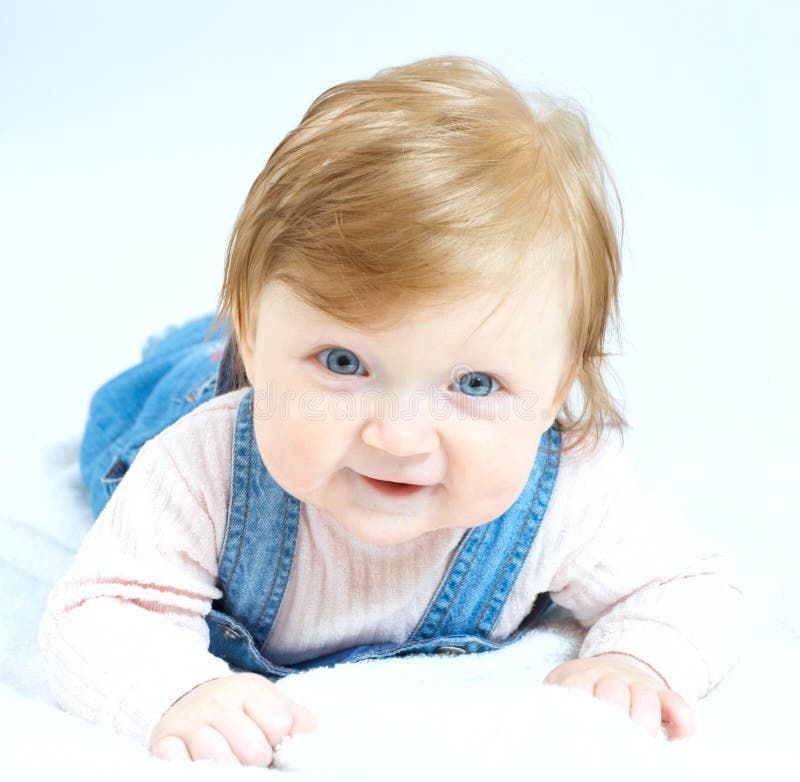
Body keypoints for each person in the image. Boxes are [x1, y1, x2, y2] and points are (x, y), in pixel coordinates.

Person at [38, 56, 743, 766]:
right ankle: (218, 343)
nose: (399, 438)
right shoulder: (205, 464)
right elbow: (103, 611)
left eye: (473, 384)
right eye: (344, 364)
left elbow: (694, 588)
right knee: (184, 375)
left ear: (559, 387)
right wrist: (175, 690)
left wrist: (638, 662)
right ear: (253, 336)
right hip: (193, 391)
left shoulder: (569, 492)